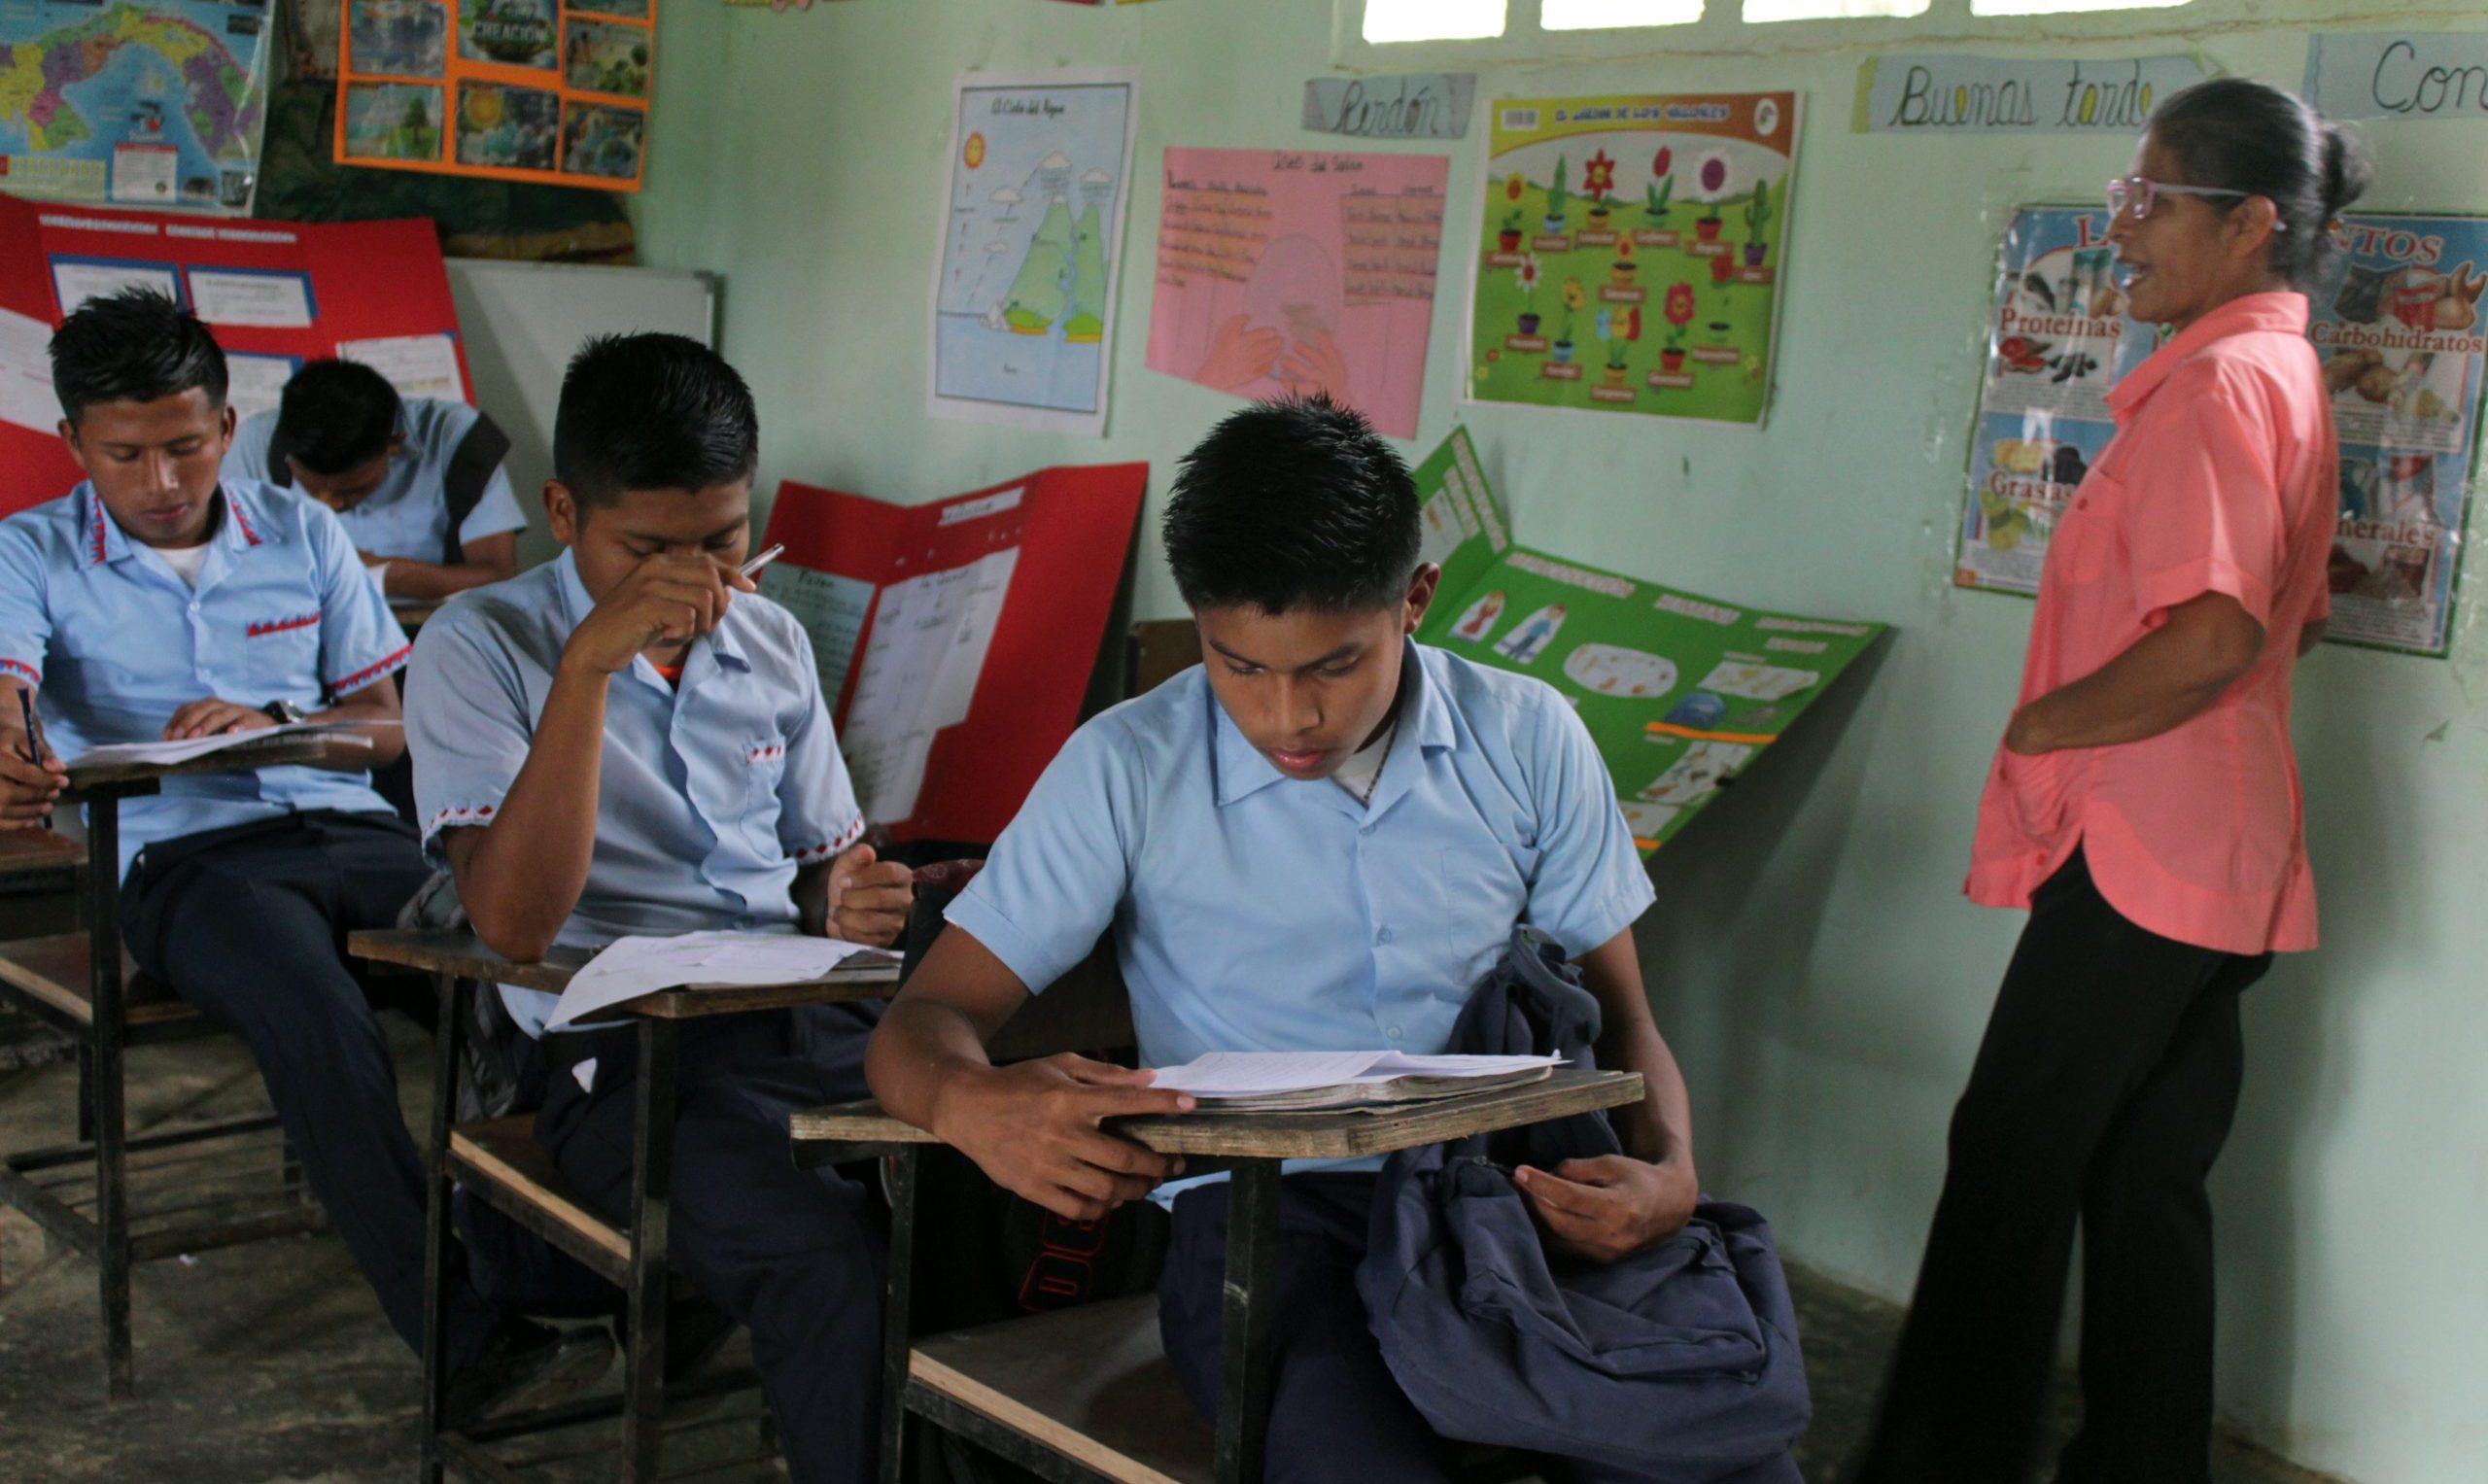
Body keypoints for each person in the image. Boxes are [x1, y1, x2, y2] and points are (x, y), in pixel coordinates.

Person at [863, 394, 1702, 1482]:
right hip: (1266, 1233)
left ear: (1415, 602)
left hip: (1506, 1205)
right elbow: (919, 1025)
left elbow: (1626, 1016)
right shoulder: (1127, 767)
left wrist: (1671, 1174)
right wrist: (968, 1104)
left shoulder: (1528, 737)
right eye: (1239, 667)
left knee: (1713, 1446)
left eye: (1332, 667)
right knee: (1356, 1459)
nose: (1284, 719)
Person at [1850, 80, 2370, 1484]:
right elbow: (2294, 618)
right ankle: (2143, 1461)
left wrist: (2044, 728)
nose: (2120, 226)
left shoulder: (2217, 385)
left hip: (2144, 851)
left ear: (2253, 223)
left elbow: (2218, 632)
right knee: (2144, 1176)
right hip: (2224, 849)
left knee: (2011, 1154)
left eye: (2152, 199)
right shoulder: (2281, 371)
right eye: (2122, 191)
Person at [0, 290, 608, 1413]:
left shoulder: (304, 531)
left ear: (231, 430)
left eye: (186, 446)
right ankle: (462, 1342)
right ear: (73, 443)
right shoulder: (29, 554)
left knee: (530, 965)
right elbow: (9, 686)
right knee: (315, 1010)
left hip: (353, 834)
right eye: (126, 456)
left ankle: (564, 1267)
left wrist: (278, 712)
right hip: (184, 866)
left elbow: (386, 720)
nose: (164, 482)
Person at [402, 331, 916, 1484]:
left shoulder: (770, 636)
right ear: (562, 510)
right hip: (624, 1058)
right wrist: (587, 669)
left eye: (723, 541)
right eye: (646, 549)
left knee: (981, 1208)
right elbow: (514, 927)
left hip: (806, 1014)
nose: (695, 581)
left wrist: (843, 893)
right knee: (825, 1260)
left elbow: (818, 863)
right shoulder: (479, 647)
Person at [224, 358, 527, 604]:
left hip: (430, 636)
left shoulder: (455, 438)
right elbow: (229, 568)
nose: (327, 504)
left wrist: (381, 572)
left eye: (351, 491)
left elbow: (498, 576)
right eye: (311, 488)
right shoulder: (254, 444)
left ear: (394, 444)